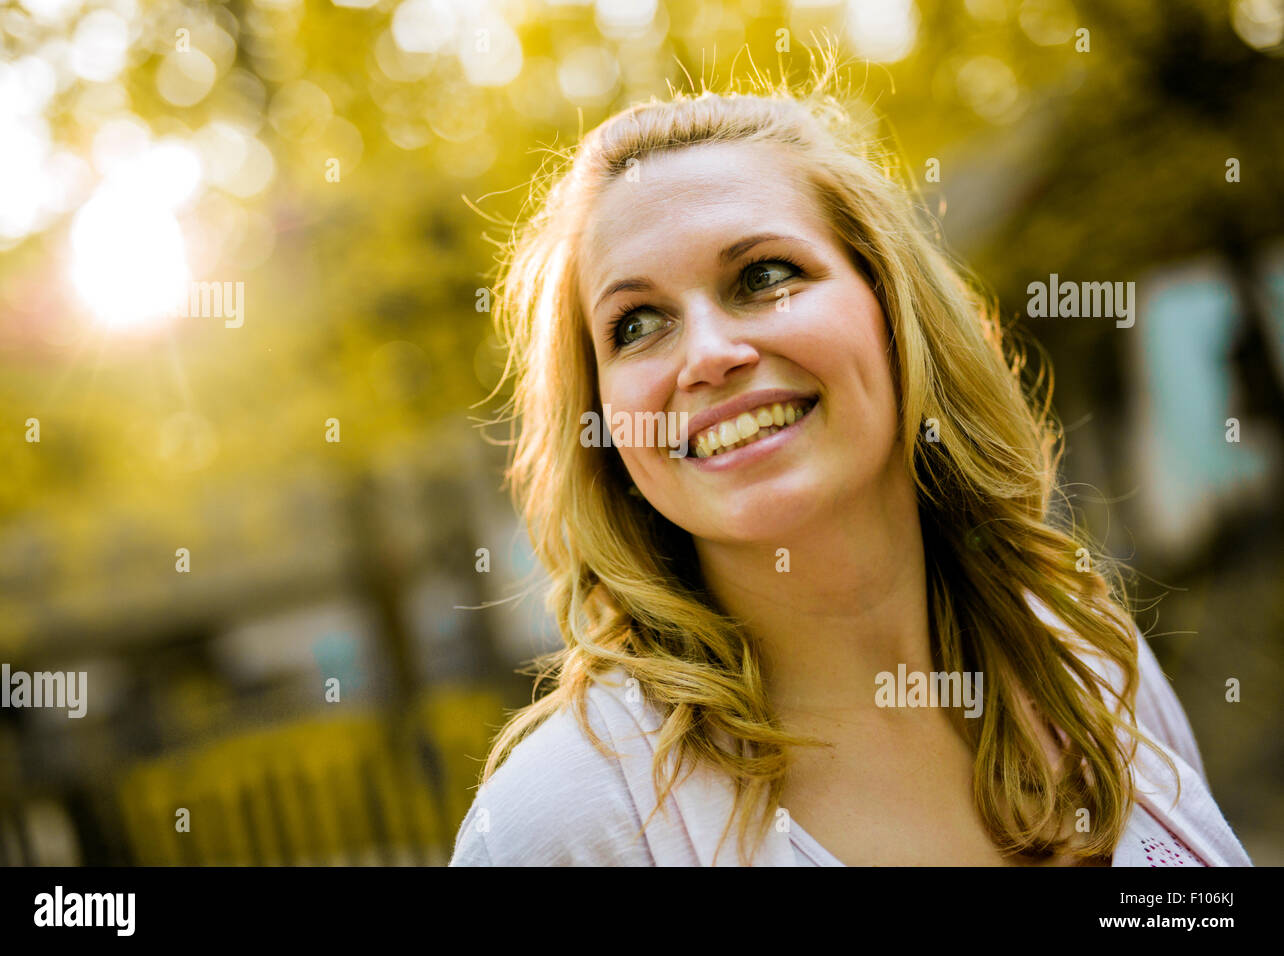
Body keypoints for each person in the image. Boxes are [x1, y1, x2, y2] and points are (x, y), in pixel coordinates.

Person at [448, 68, 1253, 867]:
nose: (708, 357)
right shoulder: (563, 822)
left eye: (763, 276)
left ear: (894, 310)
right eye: (637, 323)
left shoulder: (1086, 663)